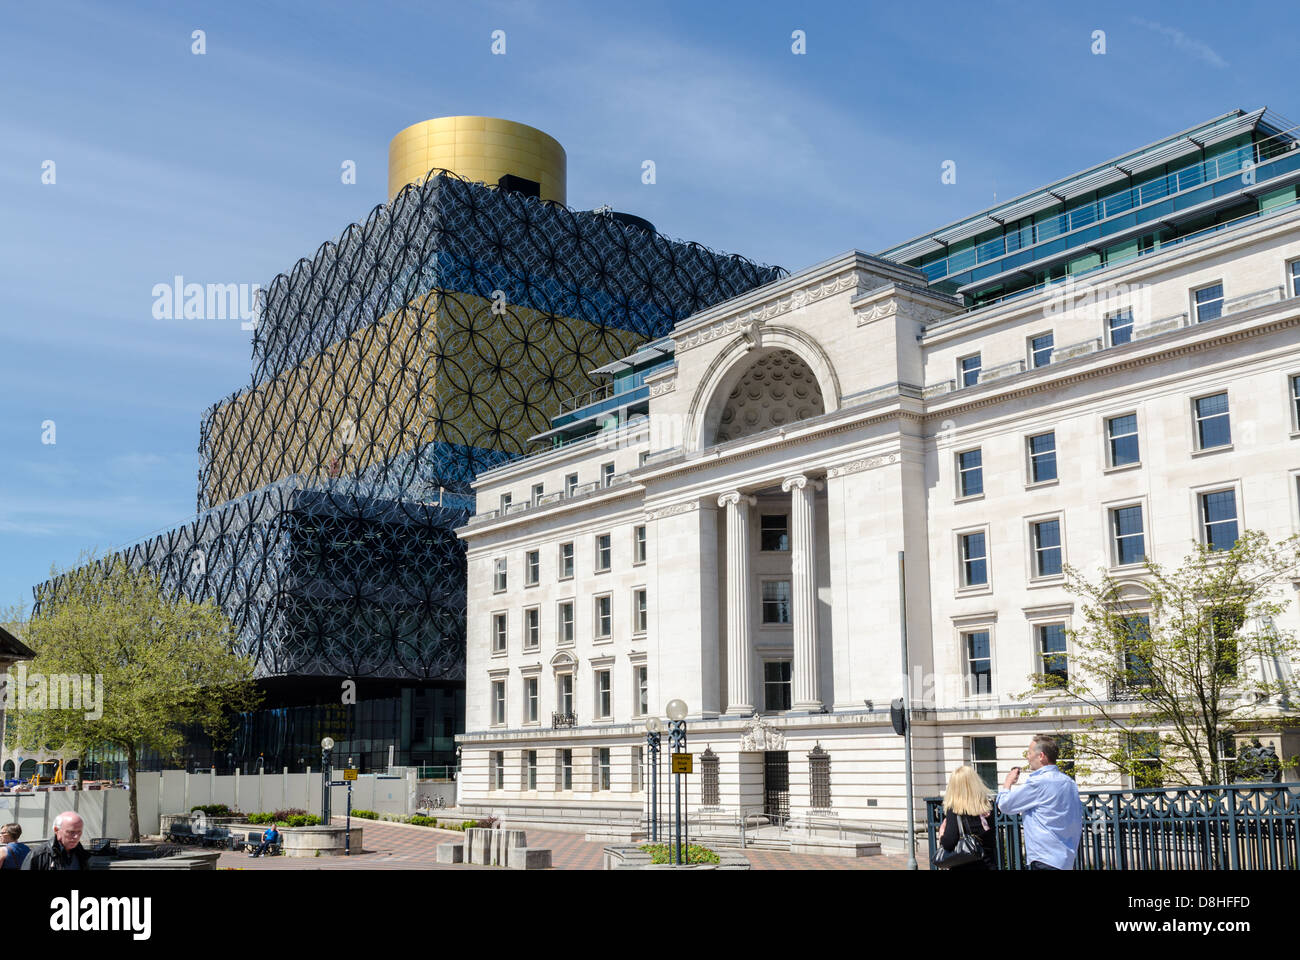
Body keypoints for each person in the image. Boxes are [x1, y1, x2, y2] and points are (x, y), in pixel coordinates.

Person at [997, 734, 1083, 870]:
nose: (1027, 757)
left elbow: (1005, 805)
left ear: (1041, 756)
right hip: (1066, 858)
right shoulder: (1069, 782)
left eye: (1029, 753)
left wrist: (1008, 783)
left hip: (1045, 858)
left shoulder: (1039, 782)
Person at [936, 766, 997, 870]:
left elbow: (949, 843)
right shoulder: (988, 807)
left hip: (964, 865)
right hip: (987, 864)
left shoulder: (955, 810)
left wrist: (942, 835)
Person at [20, 811, 90, 870]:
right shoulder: (38, 855)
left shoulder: (82, 854)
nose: (76, 836)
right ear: (56, 830)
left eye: (79, 832)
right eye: (71, 832)